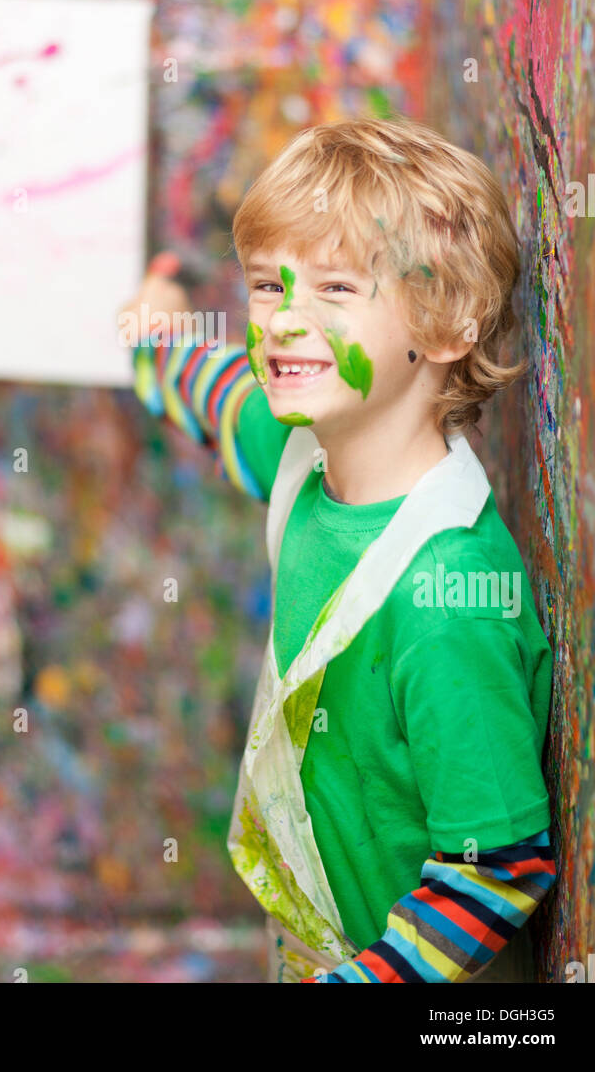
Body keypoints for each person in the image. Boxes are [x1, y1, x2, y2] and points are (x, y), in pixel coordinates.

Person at [118, 117, 556, 984]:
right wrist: (152, 339)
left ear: (446, 323)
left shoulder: (444, 596)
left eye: (334, 289)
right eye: (268, 288)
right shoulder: (302, 454)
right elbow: (216, 397)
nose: (284, 322)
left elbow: (499, 868)